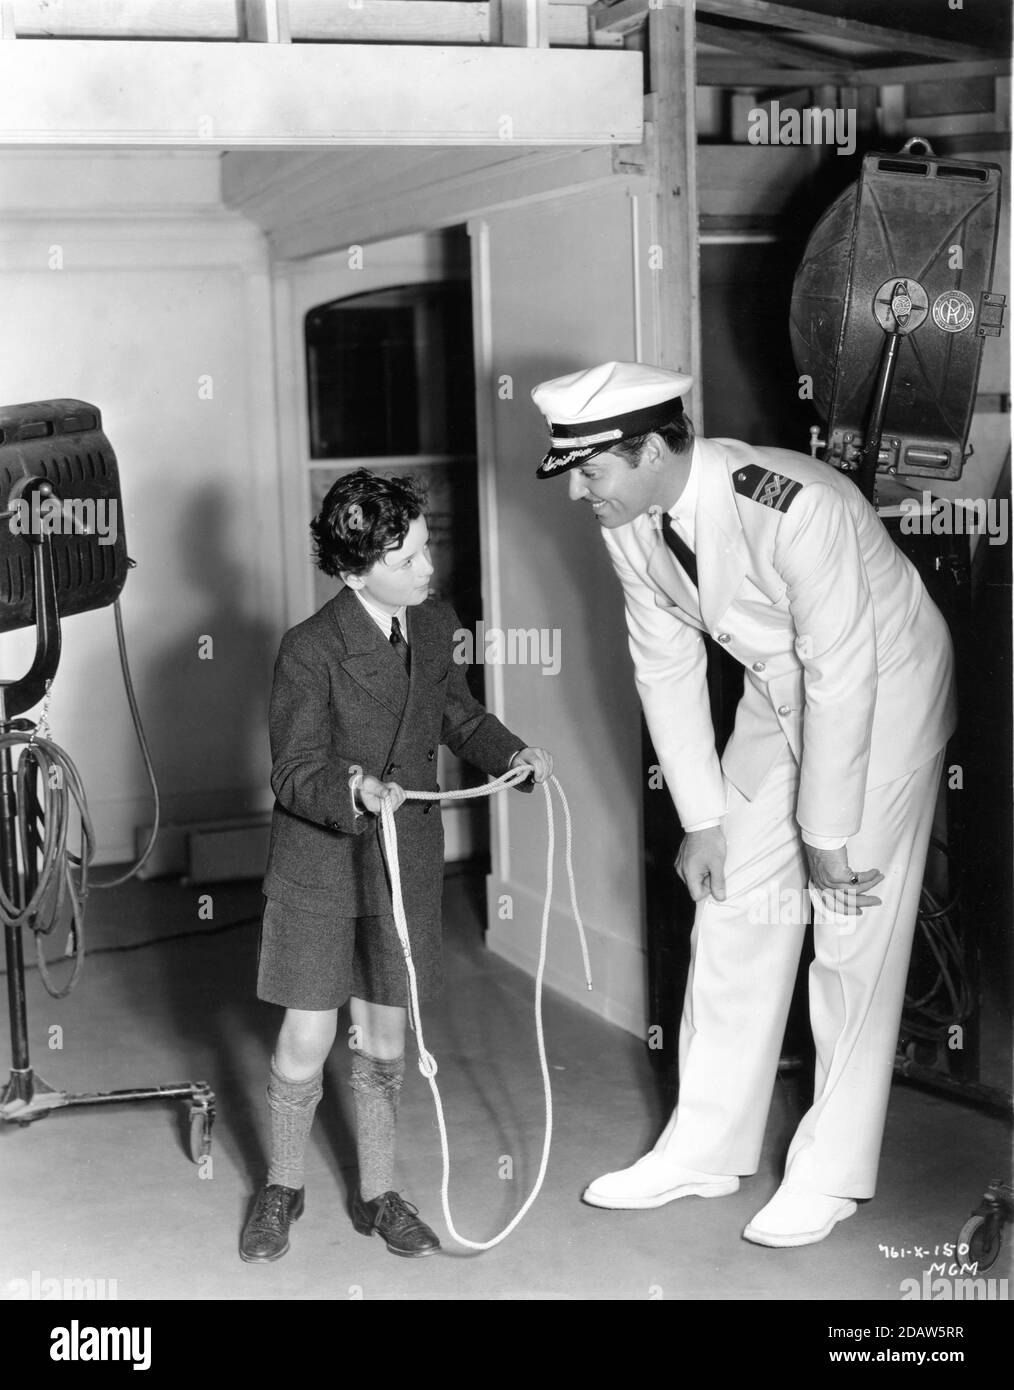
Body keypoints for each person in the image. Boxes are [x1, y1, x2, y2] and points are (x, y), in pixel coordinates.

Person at [531, 361, 956, 1247]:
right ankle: (703, 1149)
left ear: (651, 449)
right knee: (729, 910)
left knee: (848, 931)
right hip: (782, 688)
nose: (579, 492)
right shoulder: (630, 518)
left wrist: (827, 834)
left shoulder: (793, 504)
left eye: (590, 469)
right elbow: (666, 663)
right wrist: (704, 820)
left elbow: (846, 674)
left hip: (883, 690)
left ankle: (829, 1175)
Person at [240, 468, 551, 1262]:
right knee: (305, 1040)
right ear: (354, 571)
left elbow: (456, 713)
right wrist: (355, 787)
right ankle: (282, 1183)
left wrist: (508, 753)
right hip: (319, 863)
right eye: (407, 559)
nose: (427, 569)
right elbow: (294, 767)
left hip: (401, 861)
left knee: (384, 1037)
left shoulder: (435, 622)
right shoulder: (310, 649)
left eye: (425, 549)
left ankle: (378, 1192)